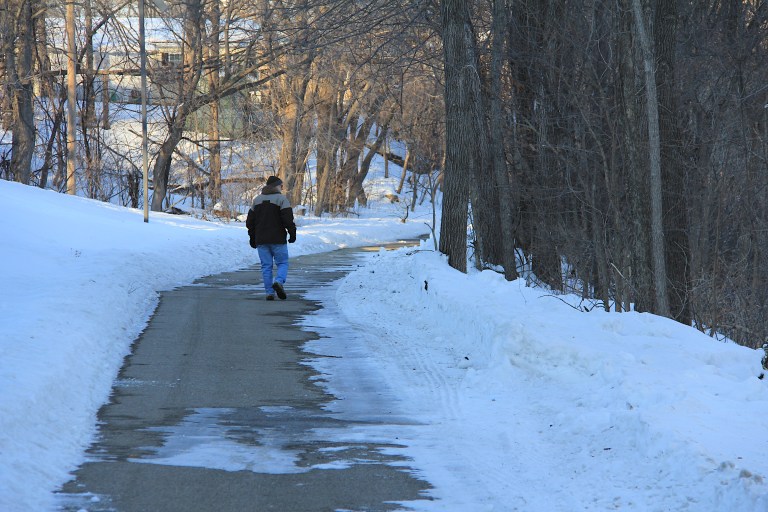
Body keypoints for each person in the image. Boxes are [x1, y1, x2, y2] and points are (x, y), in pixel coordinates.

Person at [246, 176, 297, 300]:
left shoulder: (257, 200)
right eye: (280, 185)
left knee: (266, 266)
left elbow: (250, 222)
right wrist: (292, 233)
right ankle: (279, 281)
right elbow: (288, 219)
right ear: (276, 186)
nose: (282, 187)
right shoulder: (281, 199)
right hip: (278, 239)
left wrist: (252, 237)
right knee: (282, 263)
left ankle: (269, 293)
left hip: (261, 240)